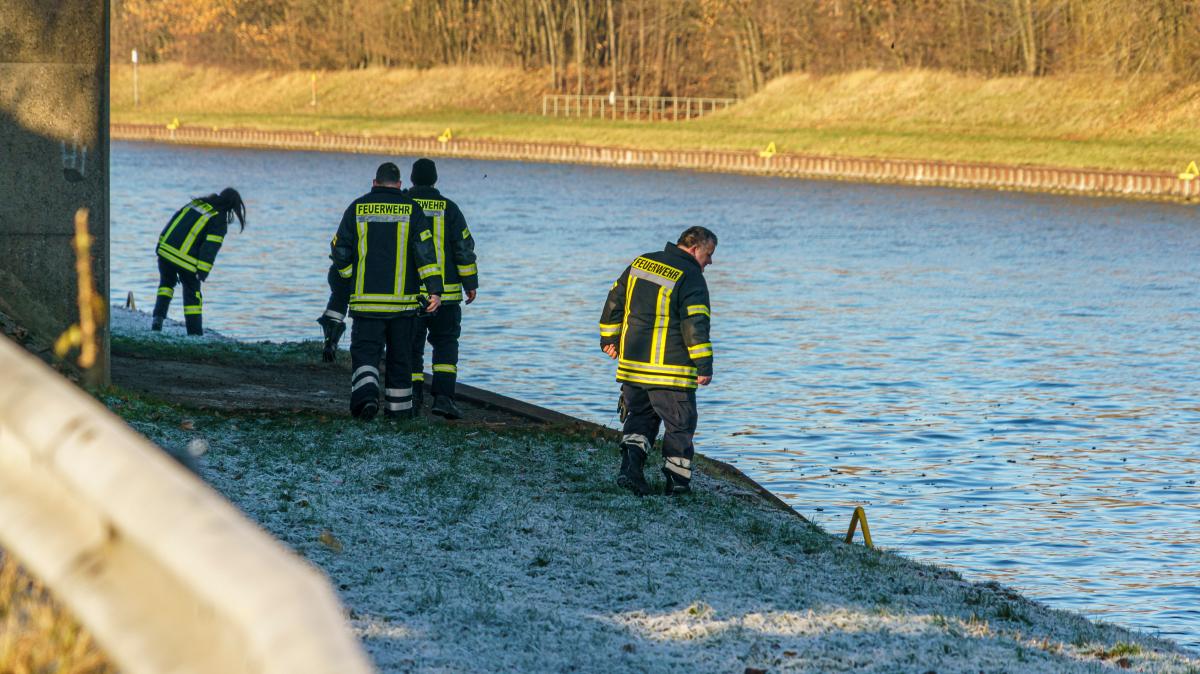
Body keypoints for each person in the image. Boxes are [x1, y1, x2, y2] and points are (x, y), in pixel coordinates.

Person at [598, 226, 717, 496]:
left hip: (633, 367)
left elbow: (614, 301)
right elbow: (695, 324)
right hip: (671, 372)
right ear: (695, 248)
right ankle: (677, 484)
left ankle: (631, 471)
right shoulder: (691, 275)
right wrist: (704, 365)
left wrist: (609, 340)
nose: (710, 261)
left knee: (639, 418)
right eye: (709, 254)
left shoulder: (642, 262)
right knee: (680, 426)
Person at [332, 162, 443, 420]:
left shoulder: (357, 207)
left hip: (366, 304)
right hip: (402, 307)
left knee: (366, 354)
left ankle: (367, 396)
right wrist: (434, 290)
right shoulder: (412, 210)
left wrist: (349, 279)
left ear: (374, 182)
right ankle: (399, 413)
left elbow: (339, 250)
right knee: (400, 360)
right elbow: (426, 253)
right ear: (400, 185)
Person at [406, 158, 479, 419]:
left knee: (412, 347)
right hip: (447, 296)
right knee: (446, 347)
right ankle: (443, 399)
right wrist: (470, 283)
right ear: (435, 180)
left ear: (411, 179)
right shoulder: (450, 208)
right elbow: (463, 248)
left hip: (410, 295)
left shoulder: (403, 205)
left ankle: (413, 398)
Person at [152, 188, 246, 336]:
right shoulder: (219, 218)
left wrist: (160, 246)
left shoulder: (196, 204)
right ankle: (194, 334)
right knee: (192, 295)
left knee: (166, 286)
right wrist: (202, 272)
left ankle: (157, 319)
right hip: (186, 261)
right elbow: (210, 247)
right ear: (231, 206)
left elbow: (173, 221)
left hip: (165, 252)